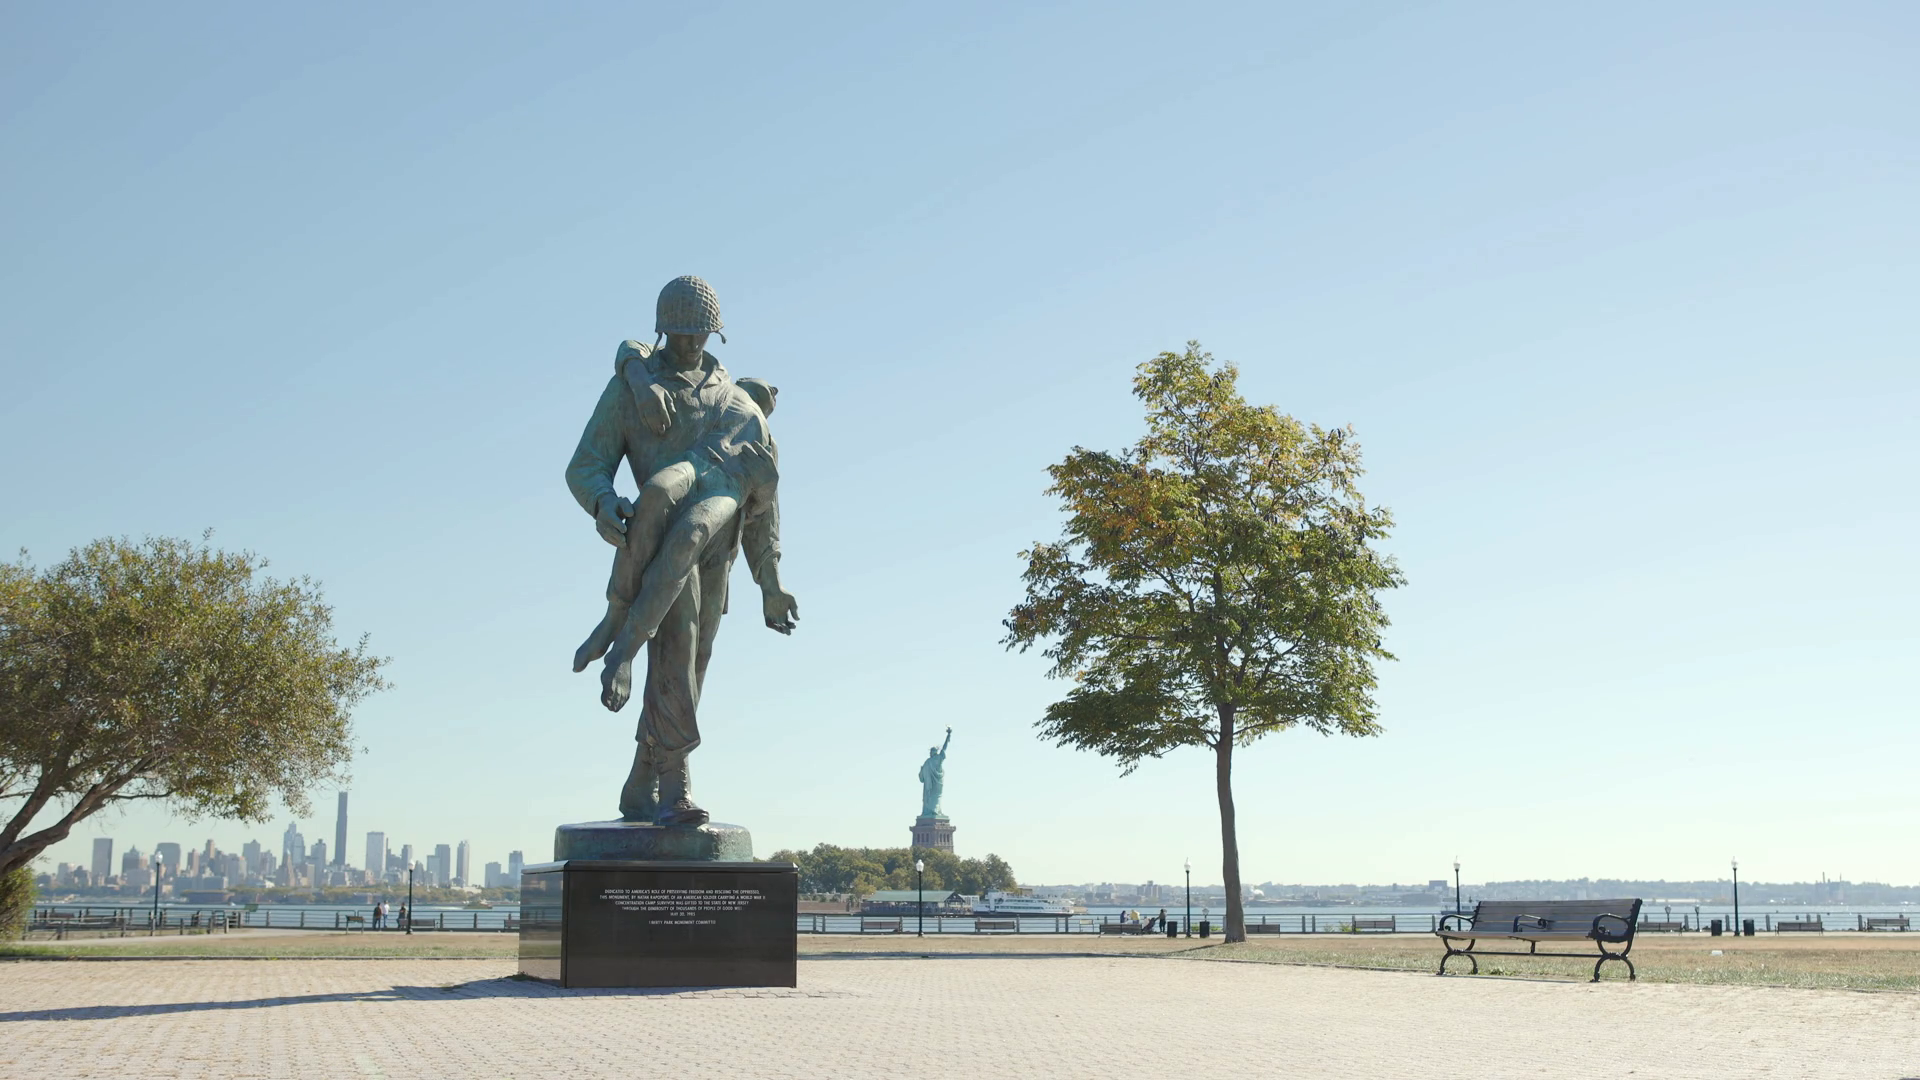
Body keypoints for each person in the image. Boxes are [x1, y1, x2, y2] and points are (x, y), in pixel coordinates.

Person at [565, 275, 800, 826]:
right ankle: (675, 785)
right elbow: (585, 464)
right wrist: (603, 502)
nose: (690, 345)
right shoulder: (632, 389)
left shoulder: (736, 402)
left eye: (699, 335)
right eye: (679, 334)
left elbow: (762, 504)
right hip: (657, 542)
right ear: (662, 329)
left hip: (715, 554)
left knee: (691, 667)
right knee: (678, 644)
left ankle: (640, 780)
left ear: (714, 335)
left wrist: (770, 583)